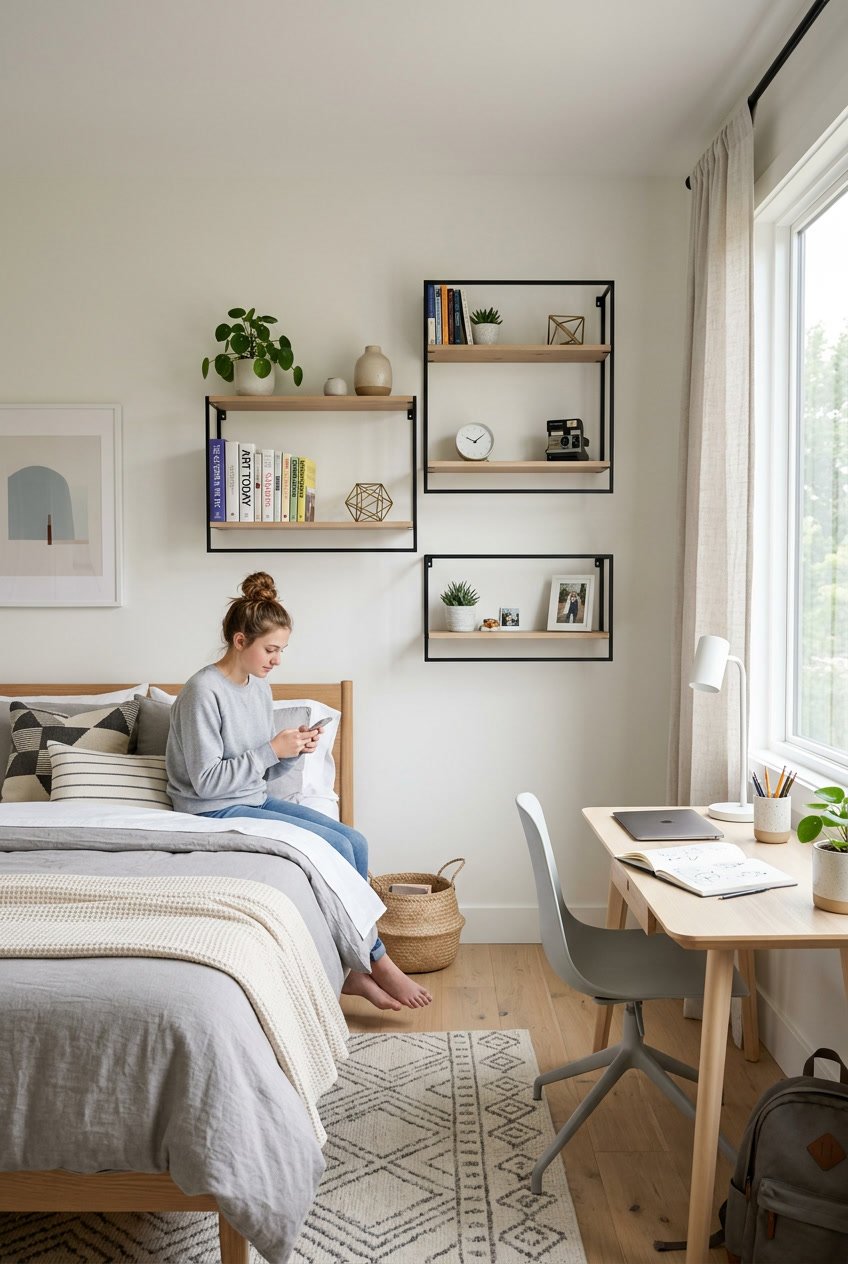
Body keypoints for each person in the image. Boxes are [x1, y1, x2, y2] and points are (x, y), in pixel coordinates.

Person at [166, 571, 431, 1012]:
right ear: (238, 640)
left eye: (281, 650)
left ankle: (355, 968)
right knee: (331, 846)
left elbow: (259, 771)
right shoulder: (201, 692)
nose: (277, 661)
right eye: (270, 650)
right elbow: (207, 781)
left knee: (354, 841)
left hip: (248, 798)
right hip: (210, 810)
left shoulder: (258, 688)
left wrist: (291, 750)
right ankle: (374, 962)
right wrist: (272, 748)